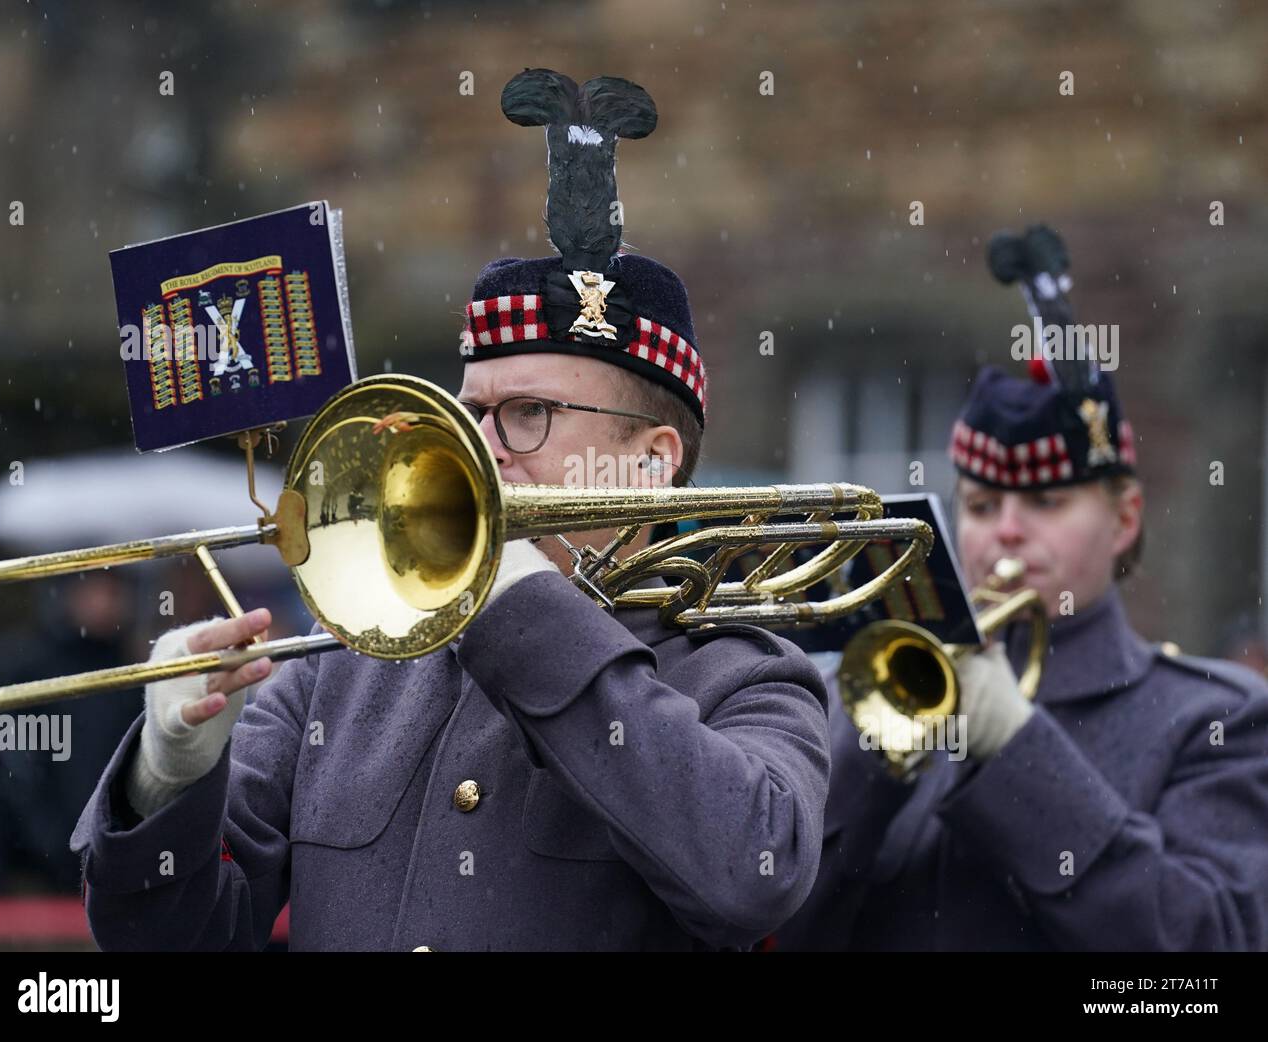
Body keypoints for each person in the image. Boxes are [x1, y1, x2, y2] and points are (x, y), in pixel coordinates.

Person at [69, 68, 831, 952]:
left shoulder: (741, 675)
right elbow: (170, 940)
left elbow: (753, 876)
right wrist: (171, 770)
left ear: (651, 461)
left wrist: (520, 604)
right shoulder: (344, 668)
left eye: (529, 415)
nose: (480, 446)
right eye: (469, 410)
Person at [774, 225, 1268, 951]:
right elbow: (777, 926)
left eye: (1045, 503)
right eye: (979, 506)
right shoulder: (882, 698)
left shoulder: (1216, 717)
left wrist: (1015, 743)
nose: (1004, 531)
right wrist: (867, 753)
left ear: (1126, 518)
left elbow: (1200, 954)